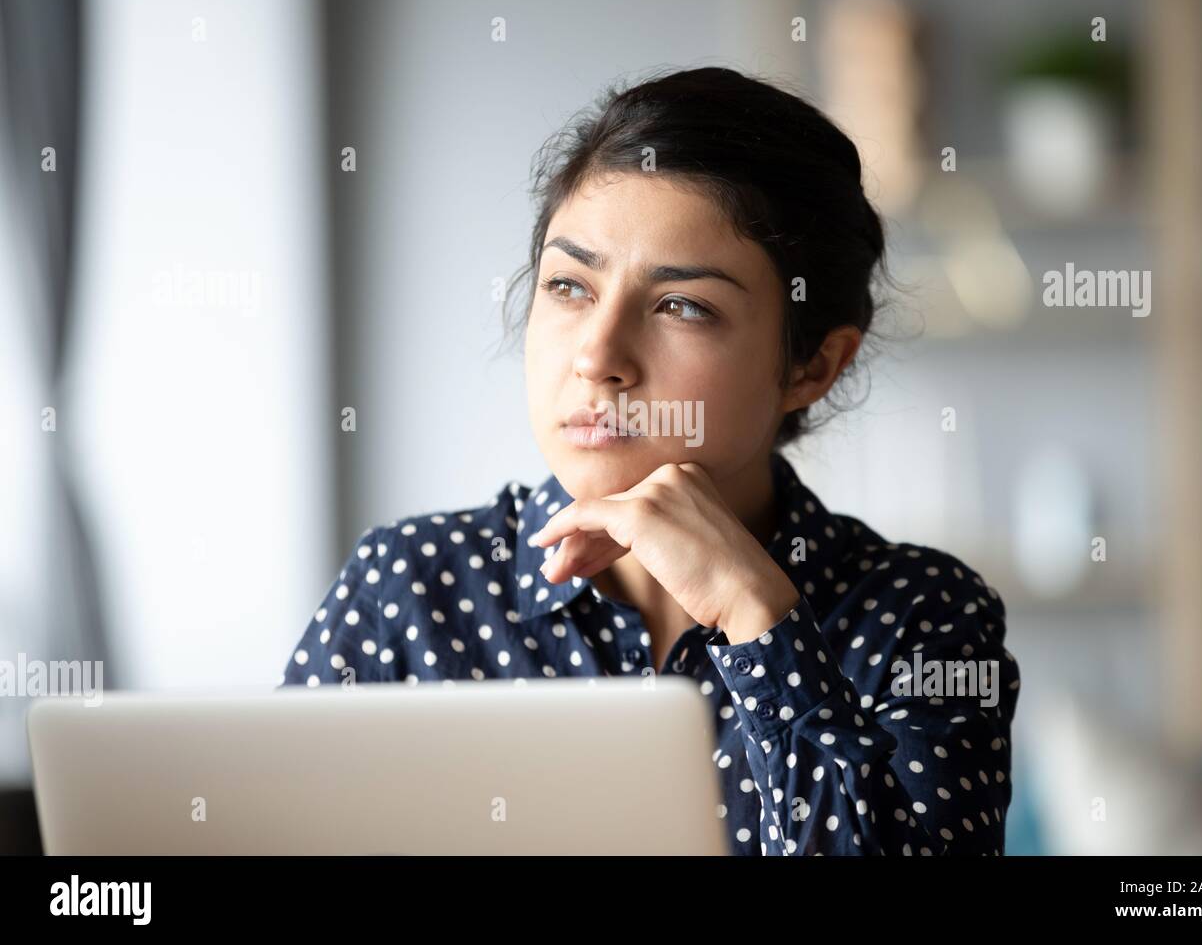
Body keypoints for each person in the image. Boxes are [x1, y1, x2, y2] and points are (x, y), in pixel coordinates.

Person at [279, 66, 1020, 856]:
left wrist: (757, 617)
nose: (597, 356)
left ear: (813, 366)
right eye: (569, 286)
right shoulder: (412, 590)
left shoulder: (920, 618)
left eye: (683, 306)